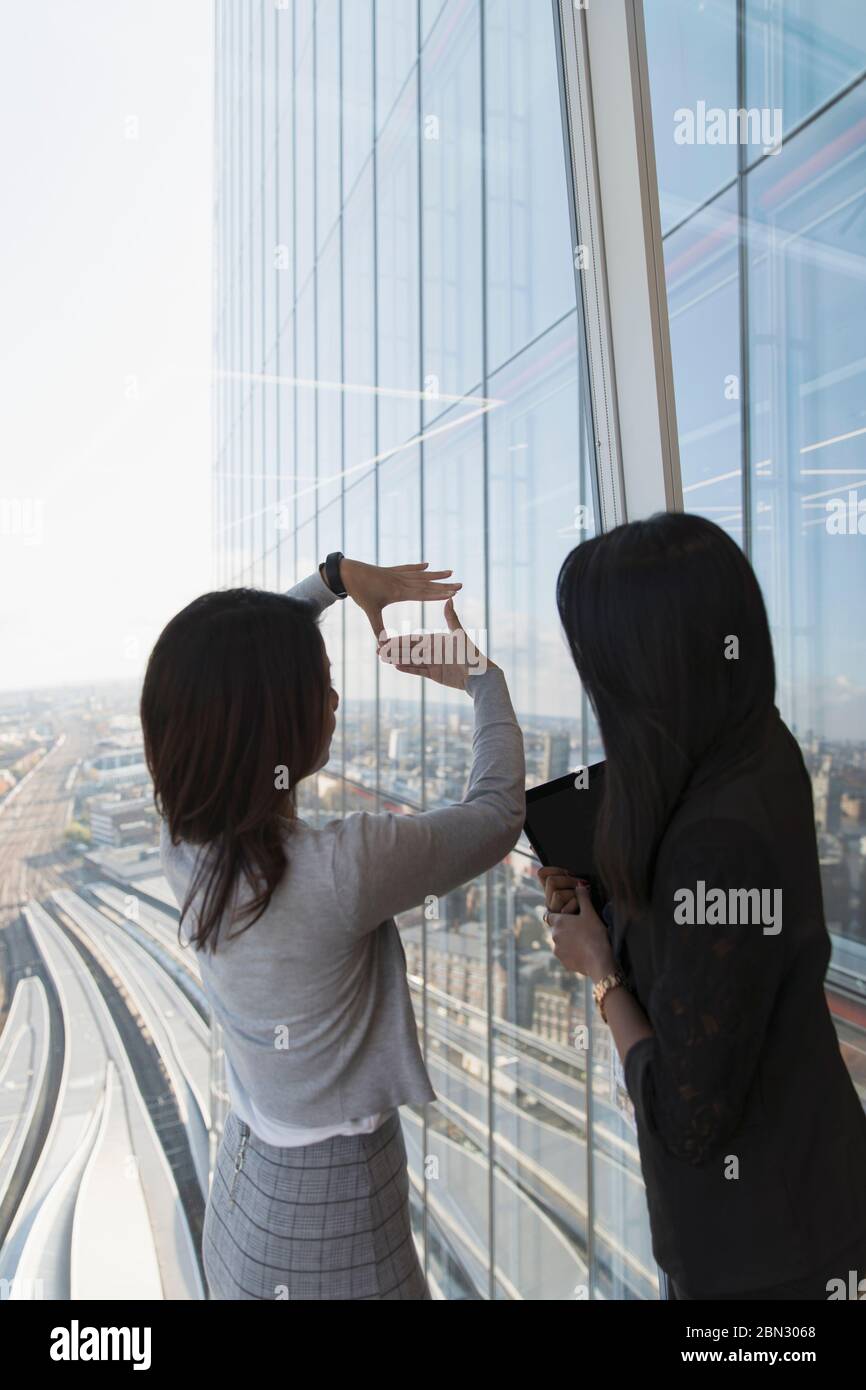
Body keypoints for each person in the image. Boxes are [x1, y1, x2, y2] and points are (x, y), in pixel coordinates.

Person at [140, 554, 525, 1300]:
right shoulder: (344, 868)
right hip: (335, 1212)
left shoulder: (182, 843)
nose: (337, 696)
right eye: (319, 682)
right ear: (277, 723)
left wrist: (336, 579)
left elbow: (219, 676)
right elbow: (497, 813)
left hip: (243, 1195)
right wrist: (482, 680)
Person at [539, 512, 866, 1300]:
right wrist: (615, 893)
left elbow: (688, 1119)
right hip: (813, 1200)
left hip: (765, 1256)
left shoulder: (714, 845)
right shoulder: (760, 746)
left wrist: (602, 971)